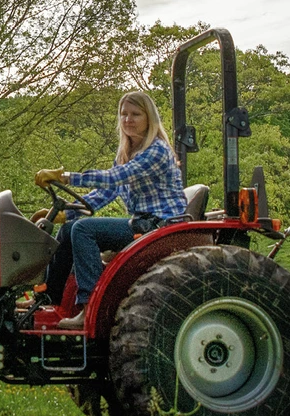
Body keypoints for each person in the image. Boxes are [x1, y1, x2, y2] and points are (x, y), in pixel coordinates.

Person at [33, 89, 185, 328]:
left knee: (84, 230)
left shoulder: (156, 151)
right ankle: (48, 302)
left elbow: (114, 178)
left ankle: (89, 307)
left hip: (158, 226)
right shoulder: (127, 153)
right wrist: (65, 214)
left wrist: (66, 177)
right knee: (69, 229)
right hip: (141, 223)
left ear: (149, 118)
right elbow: (106, 192)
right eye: (124, 114)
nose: (128, 119)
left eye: (135, 114)